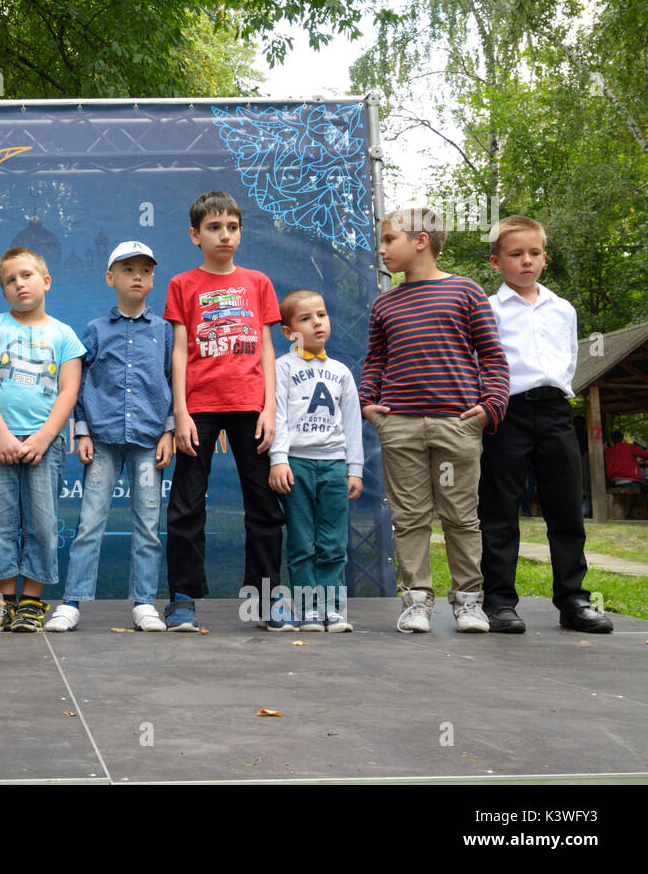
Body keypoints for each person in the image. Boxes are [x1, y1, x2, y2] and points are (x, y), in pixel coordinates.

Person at [359, 207, 509, 634]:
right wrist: (369, 403)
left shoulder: (467, 293)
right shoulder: (383, 303)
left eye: (389, 240)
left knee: (461, 516)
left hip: (457, 424)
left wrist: (489, 407)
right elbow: (376, 360)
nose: (382, 248)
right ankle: (416, 601)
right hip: (400, 425)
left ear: (420, 241)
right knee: (409, 518)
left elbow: (493, 358)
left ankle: (468, 602)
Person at [477, 215, 612, 634]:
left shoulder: (562, 309)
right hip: (507, 412)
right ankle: (499, 600)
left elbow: (567, 361)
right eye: (516, 254)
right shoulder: (487, 308)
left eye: (534, 253)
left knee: (566, 506)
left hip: (555, 411)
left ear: (545, 258)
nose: (527, 261)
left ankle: (573, 599)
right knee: (499, 508)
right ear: (497, 262)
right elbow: (481, 362)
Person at [162, 191, 284, 631]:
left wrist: (270, 408)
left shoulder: (258, 282)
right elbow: (178, 352)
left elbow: (268, 349)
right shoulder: (182, 284)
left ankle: (266, 598)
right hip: (199, 408)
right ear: (196, 235)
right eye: (214, 228)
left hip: (251, 406)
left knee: (265, 506)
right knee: (187, 505)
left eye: (232, 227)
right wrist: (181, 411)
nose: (225, 235)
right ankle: (182, 598)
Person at [46, 241, 174, 633]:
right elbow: (81, 383)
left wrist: (168, 430)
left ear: (152, 279)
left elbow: (173, 380)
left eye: (145, 270)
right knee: (89, 522)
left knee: (148, 524)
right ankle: (72, 603)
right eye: (127, 269)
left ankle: (144, 603)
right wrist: (81, 430)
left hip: (150, 439)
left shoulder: (164, 331)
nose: (137, 276)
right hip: (101, 440)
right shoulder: (95, 330)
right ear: (110, 277)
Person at [0, 247, 84, 632]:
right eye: (9, 280)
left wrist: (44, 437)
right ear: (3, 292)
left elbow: (69, 391)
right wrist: (0, 433)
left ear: (46, 281)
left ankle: (32, 601)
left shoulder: (64, 334)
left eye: (27, 275)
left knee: (42, 521)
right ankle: (2, 600)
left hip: (45, 444)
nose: (19, 283)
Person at [268, 289, 364, 633]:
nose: (316, 323)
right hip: (298, 464)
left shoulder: (341, 372)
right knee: (302, 540)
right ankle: (308, 607)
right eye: (305, 319)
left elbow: (352, 423)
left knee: (333, 541)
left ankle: (333, 607)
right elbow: (276, 415)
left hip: (334, 464)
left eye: (321, 315)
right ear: (287, 331)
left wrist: (354, 468)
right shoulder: (281, 368)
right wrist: (278, 459)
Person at [604, 431, 648, 505]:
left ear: (611, 440)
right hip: (631, 480)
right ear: (623, 438)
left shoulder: (608, 451)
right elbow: (646, 455)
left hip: (615, 482)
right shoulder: (629, 447)